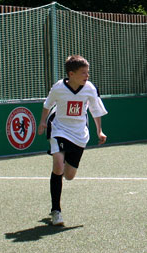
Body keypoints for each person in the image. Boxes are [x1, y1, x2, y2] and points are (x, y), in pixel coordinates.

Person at [36, 55, 107, 226]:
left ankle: (66, 158)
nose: (87, 76)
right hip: (59, 129)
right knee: (58, 166)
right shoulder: (58, 88)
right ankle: (56, 210)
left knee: (69, 176)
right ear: (71, 74)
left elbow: (95, 110)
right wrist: (43, 122)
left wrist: (99, 131)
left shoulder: (90, 88)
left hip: (79, 134)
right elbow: (47, 104)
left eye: (88, 72)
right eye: (83, 73)